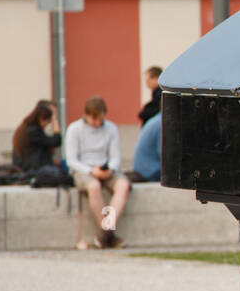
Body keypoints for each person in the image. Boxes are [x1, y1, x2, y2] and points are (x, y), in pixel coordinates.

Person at [65, 95, 130, 248]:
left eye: (101, 119)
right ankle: (108, 234)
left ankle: (106, 233)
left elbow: (115, 157)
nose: (98, 123)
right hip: (84, 170)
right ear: (87, 116)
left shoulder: (111, 128)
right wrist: (91, 170)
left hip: (105, 168)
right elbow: (72, 160)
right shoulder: (74, 129)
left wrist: (110, 169)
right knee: (94, 187)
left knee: (123, 185)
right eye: (95, 120)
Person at [12, 99, 62, 172]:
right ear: (41, 118)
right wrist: (55, 119)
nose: (48, 124)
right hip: (33, 169)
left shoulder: (26, 127)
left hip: (29, 166)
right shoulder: (33, 131)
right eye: (48, 120)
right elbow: (56, 141)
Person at [132, 111, 162, 181]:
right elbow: (164, 155)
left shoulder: (156, 119)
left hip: (142, 169)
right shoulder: (162, 123)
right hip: (150, 171)